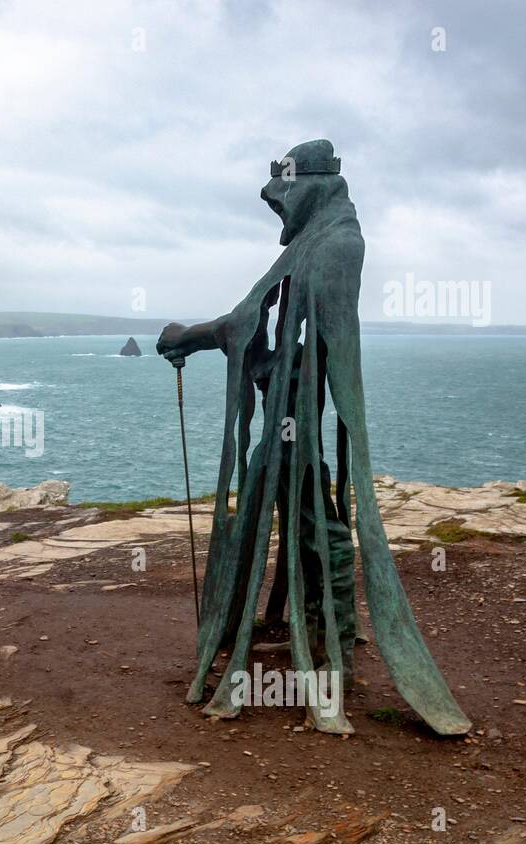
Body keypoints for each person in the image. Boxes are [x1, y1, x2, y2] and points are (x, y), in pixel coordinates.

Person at [155, 140, 470, 736]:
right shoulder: (313, 241)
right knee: (287, 514)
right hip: (283, 421)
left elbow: (293, 337)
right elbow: (251, 320)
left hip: (294, 424)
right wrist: (199, 338)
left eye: (284, 194)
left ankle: (333, 648)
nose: (278, 206)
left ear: (314, 186)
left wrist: (192, 335)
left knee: (319, 528)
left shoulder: (337, 245)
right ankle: (304, 631)